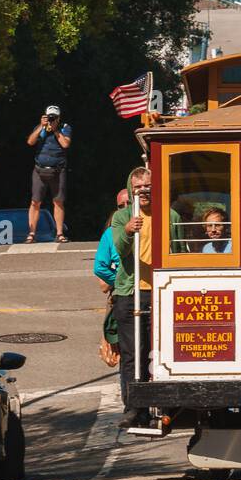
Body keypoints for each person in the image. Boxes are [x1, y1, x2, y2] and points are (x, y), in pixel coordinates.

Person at [110, 167, 153, 428]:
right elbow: (120, 249)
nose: (144, 192)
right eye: (138, 188)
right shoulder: (122, 216)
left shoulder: (167, 214)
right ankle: (134, 407)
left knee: (155, 353)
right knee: (132, 354)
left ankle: (159, 402)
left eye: (148, 186)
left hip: (159, 290)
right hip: (130, 292)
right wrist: (128, 230)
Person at [27, 106, 72, 244]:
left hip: (58, 170)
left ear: (59, 118)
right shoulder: (40, 128)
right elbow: (30, 142)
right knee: (35, 201)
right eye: (49, 116)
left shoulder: (65, 128)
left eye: (54, 117)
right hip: (40, 170)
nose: (51, 119)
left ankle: (59, 233)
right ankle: (31, 233)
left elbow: (65, 144)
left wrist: (55, 130)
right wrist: (41, 126)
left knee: (58, 201)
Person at [94, 189, 128, 289]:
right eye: (121, 206)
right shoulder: (110, 233)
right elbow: (100, 269)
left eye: (129, 203)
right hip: (125, 292)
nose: (125, 207)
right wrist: (122, 282)